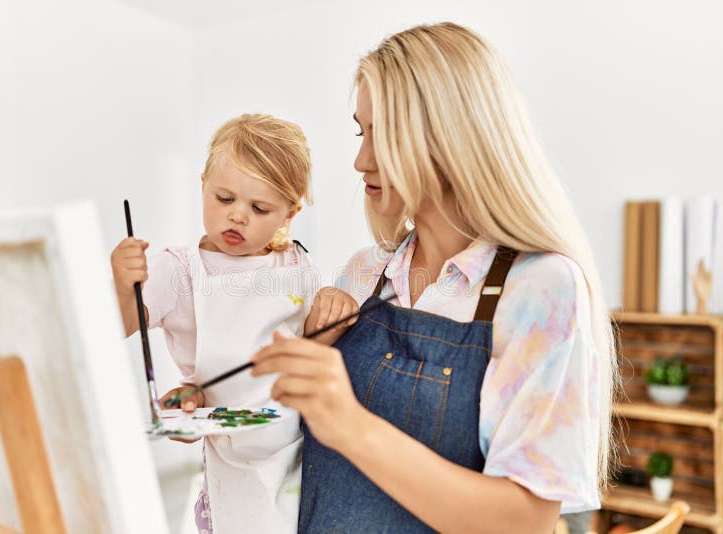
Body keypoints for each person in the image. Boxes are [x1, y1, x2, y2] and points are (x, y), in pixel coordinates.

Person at [251, 22, 618, 533]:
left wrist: (351, 424)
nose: (360, 160)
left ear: (449, 137)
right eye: (362, 131)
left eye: (383, 134)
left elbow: (525, 523)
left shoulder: (540, 289)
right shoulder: (363, 273)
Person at [110, 114, 353, 533]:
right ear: (203, 183)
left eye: (260, 208)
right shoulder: (178, 270)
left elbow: (311, 348)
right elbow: (115, 325)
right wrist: (120, 283)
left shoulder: (296, 264)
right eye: (224, 199)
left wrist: (333, 309)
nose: (238, 216)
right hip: (230, 463)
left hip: (299, 457)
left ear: (289, 213)